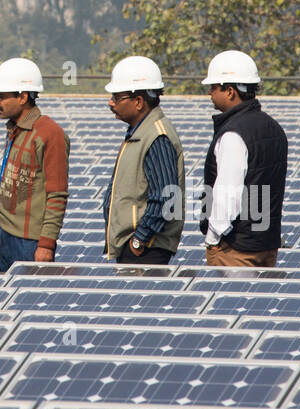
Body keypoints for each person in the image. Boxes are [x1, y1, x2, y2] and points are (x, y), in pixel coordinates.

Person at [200, 51, 287, 267]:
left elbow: (227, 194)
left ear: (230, 91)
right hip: (266, 243)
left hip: (236, 249)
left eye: (214, 87)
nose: (209, 92)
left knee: (231, 300)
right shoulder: (274, 128)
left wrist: (212, 240)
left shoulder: (233, 134)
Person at [0, 58, 69, 274]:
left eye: (1, 97)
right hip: (5, 237)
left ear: (22, 97)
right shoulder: (14, 129)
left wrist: (46, 245)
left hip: (29, 242)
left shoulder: (50, 134)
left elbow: (57, 194)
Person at [102, 56, 185, 264]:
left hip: (146, 250)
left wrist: (139, 241)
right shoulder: (141, 133)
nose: (111, 103)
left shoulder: (157, 136)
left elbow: (167, 196)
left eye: (117, 97)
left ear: (138, 102)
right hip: (138, 247)